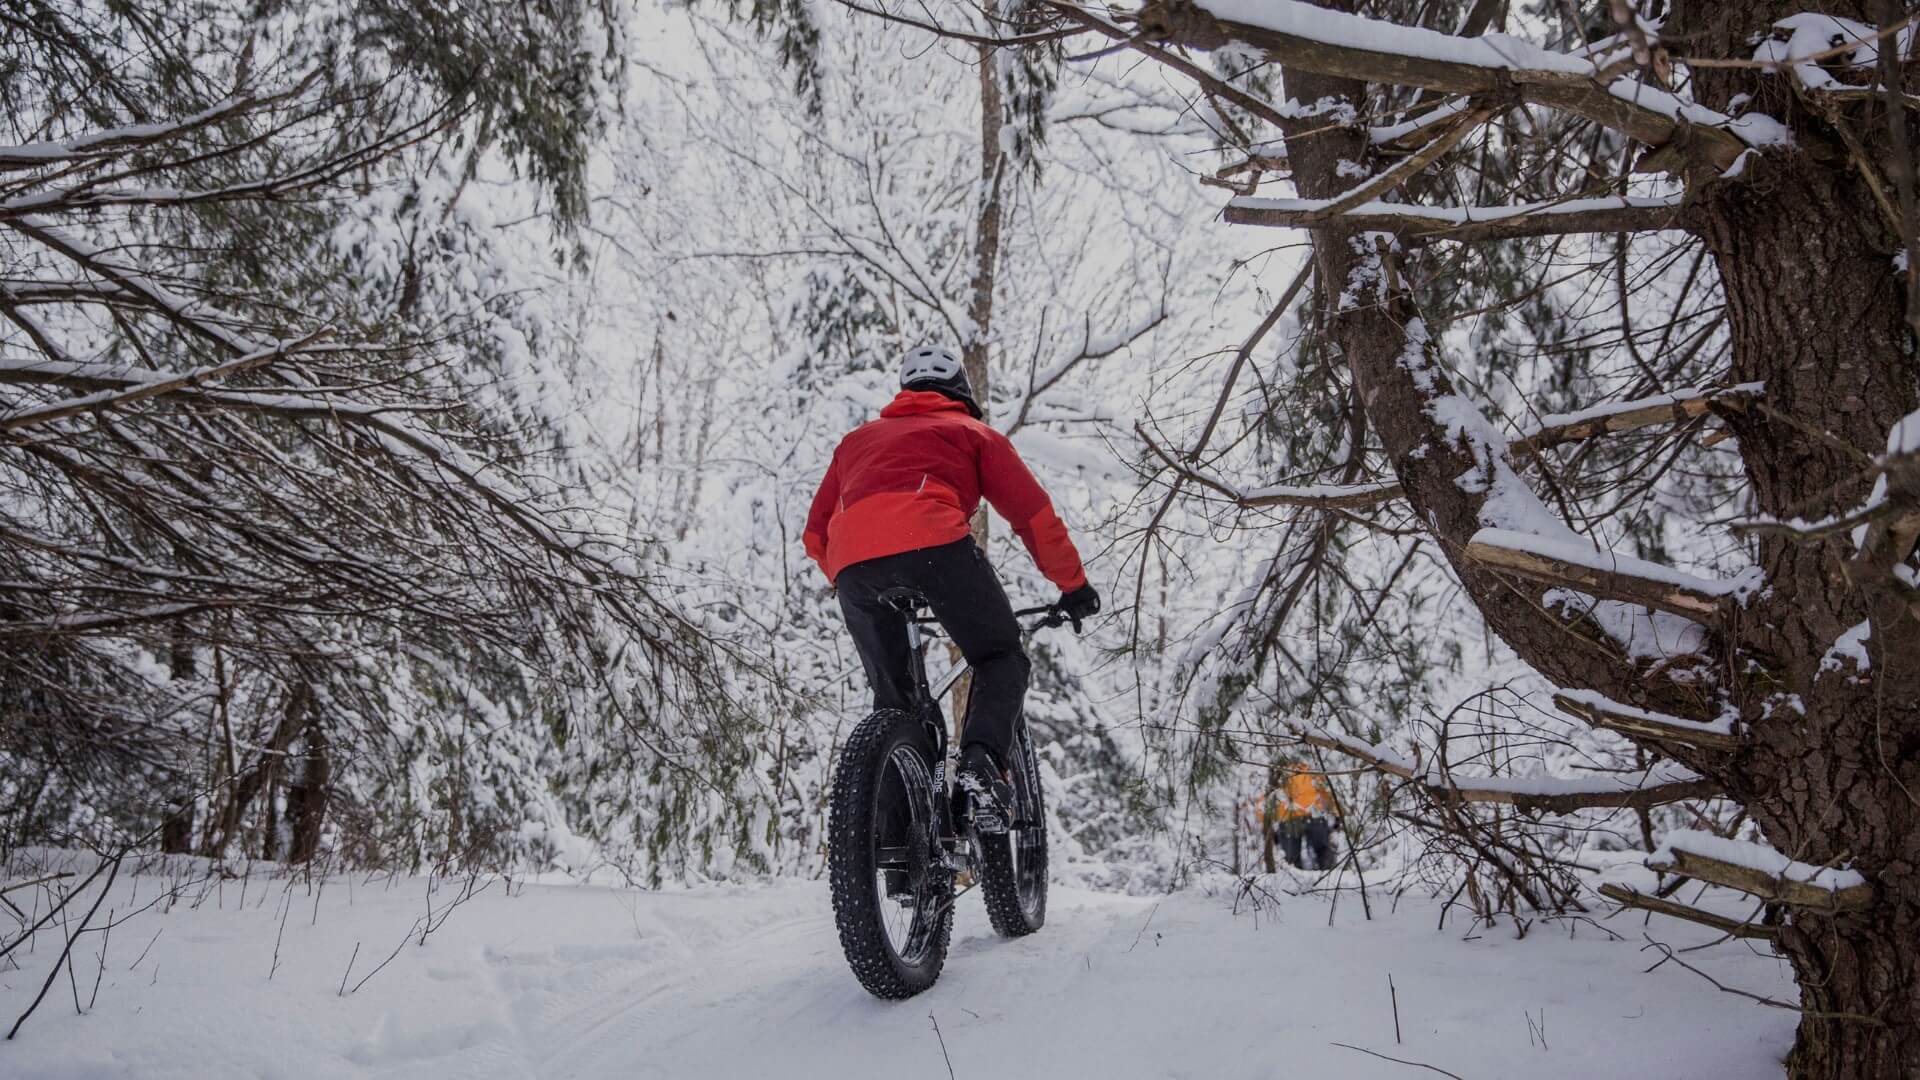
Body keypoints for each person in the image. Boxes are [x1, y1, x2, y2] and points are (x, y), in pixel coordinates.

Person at [803, 345, 1100, 831]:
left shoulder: (855, 442)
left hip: (854, 568)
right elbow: (1032, 516)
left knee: (896, 703)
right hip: (935, 548)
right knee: (1001, 657)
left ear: (905, 393)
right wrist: (1073, 583)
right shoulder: (972, 433)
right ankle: (982, 768)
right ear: (960, 392)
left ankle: (898, 843)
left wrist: (848, 572)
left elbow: (815, 534)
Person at [1273, 762, 1338, 870]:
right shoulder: (1312, 771)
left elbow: (1271, 801)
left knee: (1291, 858)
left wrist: (1272, 827)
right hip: (1313, 815)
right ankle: (1328, 876)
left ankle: (1294, 880)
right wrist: (1336, 813)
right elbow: (1327, 792)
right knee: (1323, 851)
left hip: (1290, 818)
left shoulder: (1280, 773)